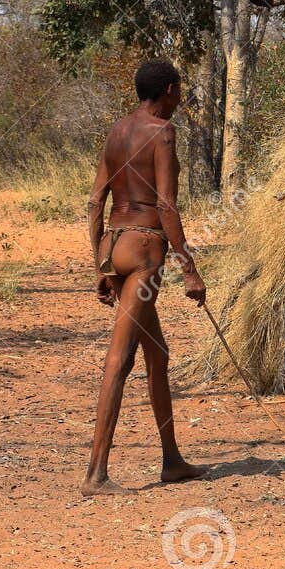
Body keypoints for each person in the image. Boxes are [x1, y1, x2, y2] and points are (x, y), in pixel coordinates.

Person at [80, 59, 209, 496]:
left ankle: (171, 460)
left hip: (116, 247)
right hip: (146, 252)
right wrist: (189, 269)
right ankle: (96, 474)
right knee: (119, 359)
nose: (180, 100)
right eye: (180, 92)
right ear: (169, 90)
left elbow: (96, 201)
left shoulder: (116, 133)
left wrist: (101, 262)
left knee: (158, 356)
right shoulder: (162, 133)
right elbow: (167, 207)